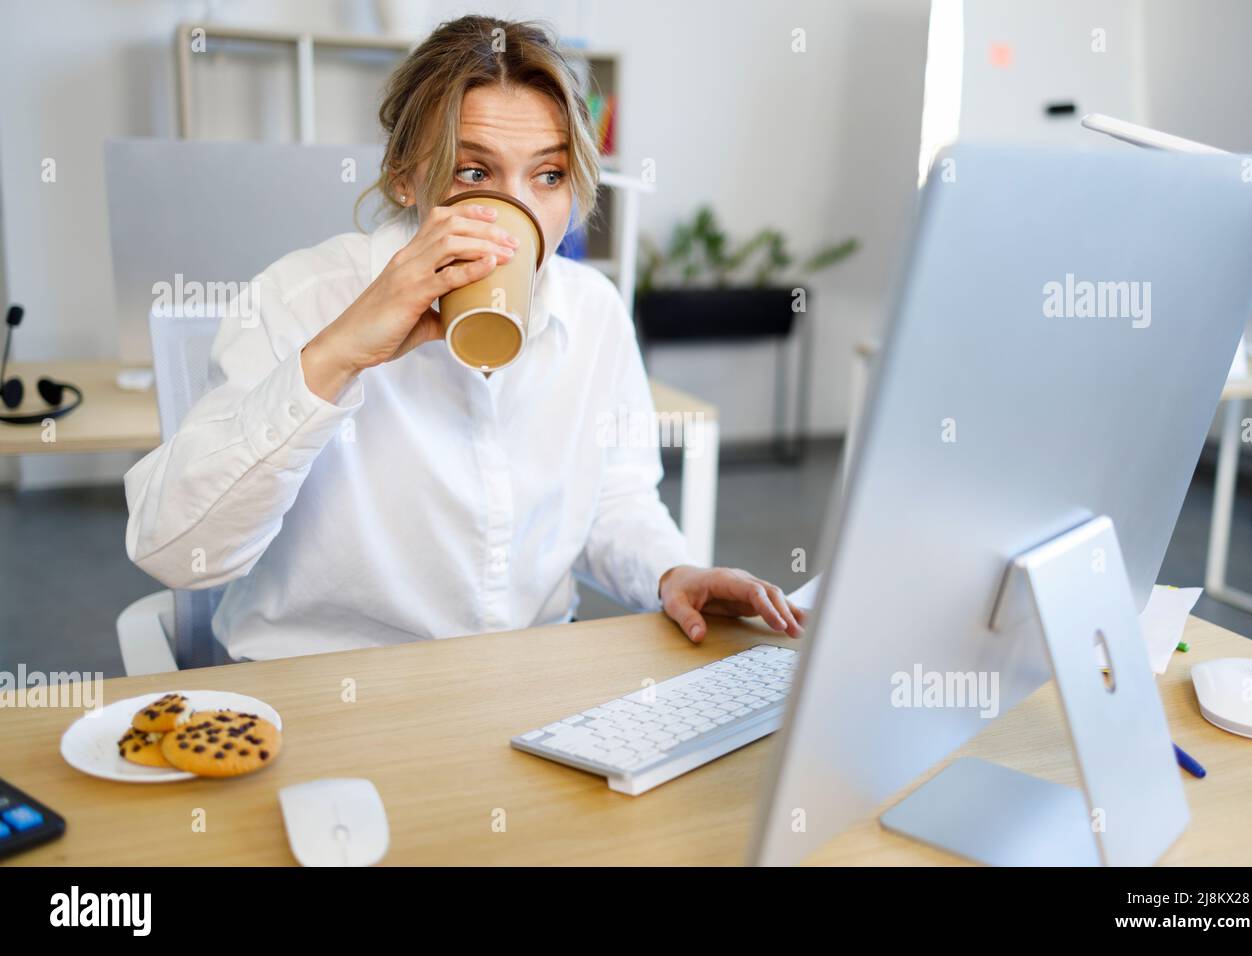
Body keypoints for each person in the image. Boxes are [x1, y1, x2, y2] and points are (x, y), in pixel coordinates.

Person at [124, 15, 805, 661]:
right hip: (322, 687)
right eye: (474, 172)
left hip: (521, 682)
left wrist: (671, 570)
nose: (518, 213)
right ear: (404, 176)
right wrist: (340, 354)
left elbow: (615, 497)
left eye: (549, 175)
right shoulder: (301, 297)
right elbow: (176, 551)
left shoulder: (591, 309)